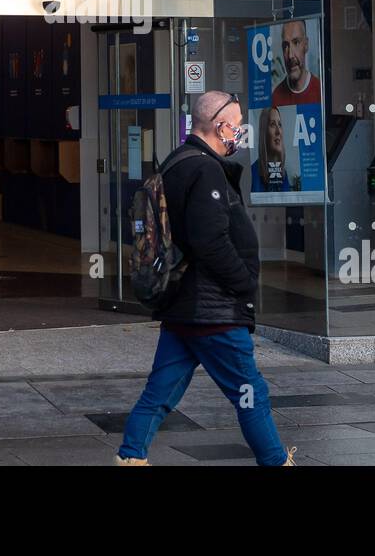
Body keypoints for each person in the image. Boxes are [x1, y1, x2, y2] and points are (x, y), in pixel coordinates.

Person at [116, 90, 295, 467]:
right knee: (250, 393)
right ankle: (276, 461)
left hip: (183, 308)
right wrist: (244, 281)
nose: (240, 130)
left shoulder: (176, 162)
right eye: (238, 123)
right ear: (220, 126)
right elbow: (209, 240)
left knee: (159, 392)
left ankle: (130, 458)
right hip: (213, 311)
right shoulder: (205, 169)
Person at [271, 19, 320, 107]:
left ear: (306, 45)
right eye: (285, 46)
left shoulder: (321, 91)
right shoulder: (276, 96)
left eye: (296, 42)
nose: (290, 55)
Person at [250, 105, 295, 193]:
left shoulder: (283, 173)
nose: (278, 131)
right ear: (264, 132)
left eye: (280, 124)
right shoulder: (254, 171)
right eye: (272, 124)